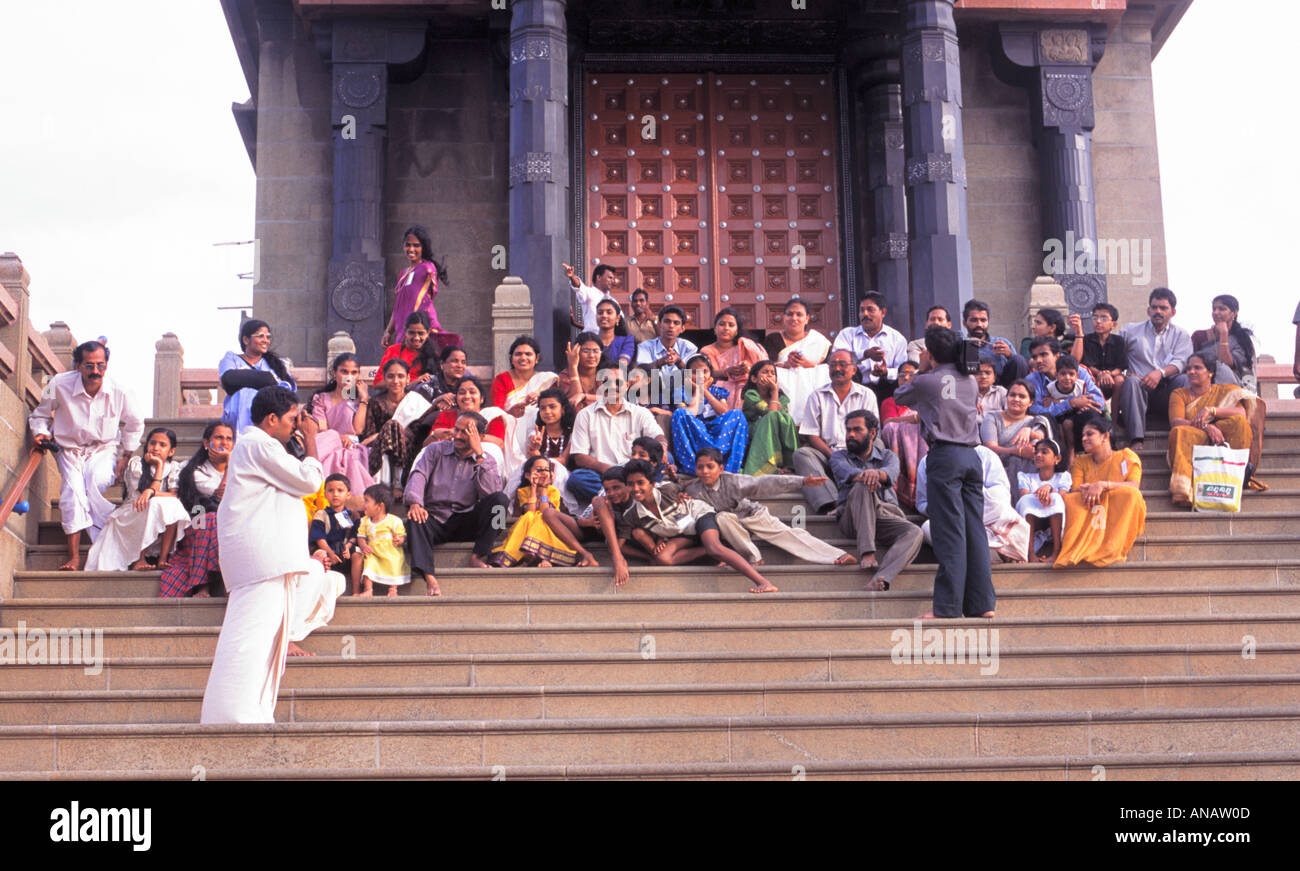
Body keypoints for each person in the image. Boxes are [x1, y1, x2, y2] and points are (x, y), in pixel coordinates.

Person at [200, 386, 346, 724]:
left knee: (260, 639)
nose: (297, 426)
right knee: (249, 637)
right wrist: (311, 439)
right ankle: (230, 716)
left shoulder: (259, 446)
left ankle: (248, 712)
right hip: (261, 562)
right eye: (293, 419)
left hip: (265, 560)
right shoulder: (258, 443)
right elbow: (309, 481)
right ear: (271, 419)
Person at [894, 326, 995, 619]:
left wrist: (924, 368)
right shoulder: (971, 381)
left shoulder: (927, 380)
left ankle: (948, 607)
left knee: (950, 532)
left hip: (945, 457)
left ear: (932, 353)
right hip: (971, 456)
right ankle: (982, 604)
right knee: (975, 530)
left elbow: (900, 395)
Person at [29, 340, 145, 571]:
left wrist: (126, 455)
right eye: (89, 366)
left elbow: (135, 423)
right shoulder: (57, 384)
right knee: (72, 492)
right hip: (68, 449)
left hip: (104, 448)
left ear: (107, 364)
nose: (95, 372)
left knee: (96, 481)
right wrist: (40, 433)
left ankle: (114, 541)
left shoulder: (121, 389)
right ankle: (73, 557)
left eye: (100, 366)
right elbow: (40, 415)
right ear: (78, 365)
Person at [621, 460, 778, 593]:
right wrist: (658, 540)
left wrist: (679, 486)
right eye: (630, 484)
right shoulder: (632, 515)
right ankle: (726, 548)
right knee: (663, 558)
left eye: (640, 483)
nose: (635, 489)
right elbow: (620, 541)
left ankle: (763, 582)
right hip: (683, 533)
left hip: (699, 516)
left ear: (653, 483)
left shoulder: (667, 490)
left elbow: (686, 485)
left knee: (714, 548)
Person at [686, 447, 854, 566]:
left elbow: (764, 482)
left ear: (721, 469)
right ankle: (754, 557)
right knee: (721, 518)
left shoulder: (733, 481)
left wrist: (801, 481)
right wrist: (680, 491)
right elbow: (675, 489)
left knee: (789, 535)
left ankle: (838, 555)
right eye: (700, 467)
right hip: (732, 526)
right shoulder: (694, 489)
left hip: (753, 515)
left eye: (710, 466)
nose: (705, 471)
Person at [403, 410, 510, 596]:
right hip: (433, 517)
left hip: (465, 520)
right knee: (414, 519)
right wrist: (415, 503)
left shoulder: (487, 461)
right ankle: (429, 577)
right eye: (457, 430)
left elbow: (491, 493)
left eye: (465, 433)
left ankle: (478, 556)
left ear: (480, 437)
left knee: (500, 504)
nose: (458, 436)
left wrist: (479, 455)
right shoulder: (436, 450)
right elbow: (419, 474)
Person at [829, 410, 925, 589]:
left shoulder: (888, 456)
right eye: (848, 430)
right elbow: (846, 473)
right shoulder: (838, 457)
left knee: (915, 532)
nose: (850, 434)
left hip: (884, 515)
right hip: (852, 518)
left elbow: (891, 474)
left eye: (857, 430)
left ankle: (881, 577)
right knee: (862, 486)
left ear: (872, 433)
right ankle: (867, 552)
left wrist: (877, 473)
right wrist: (869, 475)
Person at [86, 426, 190, 571]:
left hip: (156, 511)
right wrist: (159, 467)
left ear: (171, 451)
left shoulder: (173, 467)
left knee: (173, 504)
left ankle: (163, 558)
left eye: (162, 445)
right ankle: (139, 559)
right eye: (152, 443)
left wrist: (151, 492)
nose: (156, 448)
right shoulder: (136, 464)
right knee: (152, 503)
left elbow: (174, 495)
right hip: (133, 511)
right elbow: (142, 496)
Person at [793, 348, 879, 514]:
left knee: (879, 445)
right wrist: (833, 456)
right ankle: (834, 502)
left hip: (859, 452)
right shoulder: (816, 396)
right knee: (802, 454)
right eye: (833, 365)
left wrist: (853, 454)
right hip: (828, 453)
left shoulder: (866, 395)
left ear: (854, 369)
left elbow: (872, 431)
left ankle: (876, 498)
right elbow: (811, 434)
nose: (837, 369)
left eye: (843, 364)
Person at [1167, 351, 1256, 507]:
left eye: (1197, 368)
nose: (1191, 372)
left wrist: (1211, 410)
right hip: (1193, 437)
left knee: (1240, 423)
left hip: (1221, 439)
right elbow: (1176, 422)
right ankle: (1184, 489)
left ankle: (1237, 475)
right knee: (1179, 431)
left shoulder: (1225, 391)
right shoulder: (1179, 394)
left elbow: (1241, 412)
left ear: (1210, 372)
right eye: (1188, 368)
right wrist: (1207, 427)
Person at [1054, 417, 1145, 568]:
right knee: (1070, 499)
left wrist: (1103, 485)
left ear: (1105, 436)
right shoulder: (1080, 460)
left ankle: (1112, 545)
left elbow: (1134, 485)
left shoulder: (1126, 456)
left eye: (1089, 434)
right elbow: (1077, 489)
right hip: (1089, 502)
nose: (1084, 439)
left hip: (1116, 503)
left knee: (1131, 495)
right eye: (1082, 435)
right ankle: (1085, 545)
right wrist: (1092, 489)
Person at [916, 445, 1031, 565]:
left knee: (1005, 512)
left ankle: (990, 553)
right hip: (951, 518)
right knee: (927, 528)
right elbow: (922, 503)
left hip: (985, 512)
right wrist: (942, 505)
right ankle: (994, 554)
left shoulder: (985, 454)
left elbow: (1001, 492)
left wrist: (973, 498)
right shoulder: (927, 461)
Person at [566, 368, 667, 502]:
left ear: (628, 385)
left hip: (636, 473)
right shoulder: (585, 415)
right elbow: (579, 457)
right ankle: (634, 496)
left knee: (666, 457)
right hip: (603, 474)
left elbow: (658, 436)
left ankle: (620, 495)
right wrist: (608, 469)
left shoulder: (641, 413)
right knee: (577, 479)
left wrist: (663, 446)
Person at [159, 421, 234, 598]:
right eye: (219, 437)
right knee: (208, 520)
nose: (224, 442)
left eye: (229, 439)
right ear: (206, 443)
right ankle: (202, 586)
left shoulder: (244, 469)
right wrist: (229, 465)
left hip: (233, 522)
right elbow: (220, 496)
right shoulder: (192, 469)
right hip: (198, 517)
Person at [1115, 287, 1193, 449]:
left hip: (1168, 389)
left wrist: (1160, 373)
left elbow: (1182, 361)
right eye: (1154, 307)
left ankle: (1182, 431)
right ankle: (1137, 439)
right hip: (1140, 388)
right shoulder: (1131, 331)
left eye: (1163, 308)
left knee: (1184, 379)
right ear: (1148, 310)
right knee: (1131, 383)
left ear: (1173, 312)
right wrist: (1126, 374)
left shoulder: (1181, 335)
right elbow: (1116, 354)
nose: (1158, 311)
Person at [491, 455, 597, 568]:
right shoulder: (523, 491)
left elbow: (545, 510)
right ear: (527, 475)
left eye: (546, 470)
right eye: (539, 470)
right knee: (530, 517)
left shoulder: (553, 491)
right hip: (530, 523)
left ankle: (543, 557)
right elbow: (529, 510)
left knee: (540, 518)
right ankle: (529, 557)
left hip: (550, 526)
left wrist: (544, 489)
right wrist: (533, 488)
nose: (543, 473)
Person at [669, 354, 749, 475]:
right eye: (694, 372)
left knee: (737, 415)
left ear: (710, 374)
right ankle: (695, 468)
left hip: (718, 435)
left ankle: (726, 468)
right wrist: (698, 391)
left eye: (704, 371)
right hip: (695, 434)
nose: (700, 376)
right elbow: (689, 413)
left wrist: (705, 391)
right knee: (679, 413)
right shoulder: (681, 392)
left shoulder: (716, 391)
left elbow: (724, 412)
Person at [310, 353, 376, 494]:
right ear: (334, 373)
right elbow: (322, 429)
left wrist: (364, 398)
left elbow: (357, 429)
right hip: (327, 443)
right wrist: (338, 437)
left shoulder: (355, 400)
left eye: (354, 372)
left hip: (351, 446)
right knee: (333, 446)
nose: (349, 376)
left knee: (346, 456)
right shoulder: (322, 399)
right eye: (344, 371)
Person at [1026, 342, 1105, 459]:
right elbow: (1035, 410)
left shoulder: (1078, 371)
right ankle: (1063, 457)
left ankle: (1095, 457)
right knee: (1051, 421)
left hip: (1078, 419)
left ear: (1057, 356)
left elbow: (1098, 401)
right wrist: (1071, 403)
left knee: (1092, 414)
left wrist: (1074, 404)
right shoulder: (1033, 380)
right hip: (1054, 424)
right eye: (1034, 357)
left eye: (1043, 355)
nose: (1038, 360)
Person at [218, 320, 296, 434]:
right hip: (236, 416)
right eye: (260, 336)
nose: (266, 340)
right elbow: (229, 379)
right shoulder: (232, 358)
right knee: (245, 394)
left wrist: (244, 379)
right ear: (246, 340)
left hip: (266, 418)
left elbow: (286, 391)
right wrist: (267, 380)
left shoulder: (278, 364)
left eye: (268, 337)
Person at [506, 387, 578, 508]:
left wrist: (541, 458)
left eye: (552, 407)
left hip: (561, 475)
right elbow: (533, 461)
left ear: (563, 409)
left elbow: (564, 461)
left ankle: (555, 506)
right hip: (537, 473)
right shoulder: (535, 433)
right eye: (543, 408)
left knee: (556, 467)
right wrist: (535, 449)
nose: (547, 411)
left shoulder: (572, 434)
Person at [764, 298, 831, 423]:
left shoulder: (818, 341)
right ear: (784, 317)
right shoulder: (773, 339)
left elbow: (829, 368)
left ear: (807, 318)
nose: (794, 318)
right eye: (790, 314)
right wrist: (786, 364)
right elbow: (765, 366)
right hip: (782, 392)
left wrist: (809, 365)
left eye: (799, 314)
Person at [383, 224, 450, 347]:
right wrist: (388, 331)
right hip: (403, 331)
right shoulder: (403, 274)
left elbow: (420, 302)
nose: (411, 249)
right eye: (408, 245)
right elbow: (398, 307)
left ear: (423, 247)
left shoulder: (427, 268)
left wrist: (412, 329)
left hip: (419, 331)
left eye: (416, 245)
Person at [425, 375, 509, 471]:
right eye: (462, 393)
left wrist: (467, 435)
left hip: (481, 468)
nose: (467, 396)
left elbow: (499, 444)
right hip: (445, 468)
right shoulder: (446, 416)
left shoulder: (493, 415)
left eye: (472, 392)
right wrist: (434, 435)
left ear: (481, 398)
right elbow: (426, 447)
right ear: (456, 398)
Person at [981, 380, 1053, 485]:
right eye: (1012, 395)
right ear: (1006, 398)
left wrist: (1029, 431)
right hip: (996, 471)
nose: (1016, 399)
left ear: (1031, 402)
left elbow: (1041, 437)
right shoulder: (992, 417)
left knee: (1037, 445)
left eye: (1022, 397)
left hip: (1026, 472)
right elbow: (990, 448)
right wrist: (1018, 451)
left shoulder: (1034, 421)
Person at [878, 360, 928, 509]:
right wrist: (915, 419)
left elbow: (928, 418)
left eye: (911, 375)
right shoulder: (890, 402)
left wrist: (908, 420)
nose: (906, 378)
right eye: (901, 375)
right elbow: (888, 426)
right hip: (900, 446)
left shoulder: (927, 398)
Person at [832, 292, 908, 388]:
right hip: (854, 387)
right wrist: (865, 354)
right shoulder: (847, 335)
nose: (865, 314)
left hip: (887, 389)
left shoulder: (897, 339)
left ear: (883, 312)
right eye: (861, 310)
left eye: (870, 310)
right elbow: (838, 361)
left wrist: (886, 372)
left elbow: (903, 371)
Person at [1015, 438, 1071, 563]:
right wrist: (1041, 494)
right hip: (1034, 521)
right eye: (1036, 453)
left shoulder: (1063, 476)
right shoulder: (1026, 477)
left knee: (1056, 498)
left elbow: (1063, 496)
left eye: (1044, 452)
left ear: (1057, 458)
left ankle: (1056, 551)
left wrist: (1049, 489)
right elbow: (1023, 496)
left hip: (1054, 520)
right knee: (1026, 500)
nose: (1038, 455)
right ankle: (1030, 553)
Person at [700, 307, 768, 412]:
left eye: (731, 325)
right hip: (720, 391)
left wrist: (748, 368)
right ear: (715, 328)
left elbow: (762, 367)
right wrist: (727, 372)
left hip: (746, 388)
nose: (726, 328)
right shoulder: (708, 350)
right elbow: (710, 373)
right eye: (722, 324)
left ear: (736, 331)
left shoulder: (744, 345)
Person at [740, 359, 798, 476]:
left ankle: (789, 465)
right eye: (765, 372)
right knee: (772, 417)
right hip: (755, 431)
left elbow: (780, 419)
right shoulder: (751, 395)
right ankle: (767, 468)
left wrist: (775, 394)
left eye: (773, 373)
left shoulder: (783, 399)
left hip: (775, 431)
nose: (770, 375)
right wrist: (775, 391)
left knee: (787, 419)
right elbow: (771, 413)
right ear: (754, 378)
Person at [635, 304, 698, 406]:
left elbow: (693, 374)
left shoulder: (689, 348)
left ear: (682, 328)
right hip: (653, 396)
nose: (671, 326)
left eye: (676, 323)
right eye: (667, 321)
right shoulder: (645, 346)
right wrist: (661, 362)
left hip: (681, 398)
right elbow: (642, 370)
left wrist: (679, 361)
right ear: (659, 324)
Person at [353, 484, 410, 596]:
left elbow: (402, 535)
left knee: (395, 561)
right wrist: (364, 546)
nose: (363, 505)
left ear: (379, 506)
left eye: (366, 501)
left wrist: (399, 540)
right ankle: (368, 589)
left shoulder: (394, 521)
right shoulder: (364, 521)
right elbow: (361, 537)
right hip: (372, 551)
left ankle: (393, 589)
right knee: (369, 563)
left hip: (390, 551)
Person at [1190, 294, 1256, 389]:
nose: (1216, 312)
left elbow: (1225, 363)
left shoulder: (1241, 339)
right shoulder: (1199, 336)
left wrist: (1223, 334)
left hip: (1232, 388)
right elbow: (1191, 364)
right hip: (1202, 385)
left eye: (1222, 309)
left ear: (1234, 312)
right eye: (1214, 309)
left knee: (1222, 369)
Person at [962, 300, 1028, 388]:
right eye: (974, 320)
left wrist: (1009, 355)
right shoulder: (960, 344)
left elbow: (1018, 368)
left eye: (983, 320)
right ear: (965, 323)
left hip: (1002, 390)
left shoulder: (1001, 342)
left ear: (988, 322)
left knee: (1018, 359)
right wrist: (968, 347)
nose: (979, 324)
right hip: (971, 390)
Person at [1069, 303, 1127, 401]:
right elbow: (1087, 364)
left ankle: (1115, 415)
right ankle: (1098, 410)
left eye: (1104, 318)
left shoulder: (1119, 341)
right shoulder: (1086, 339)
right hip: (1093, 375)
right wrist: (1100, 374)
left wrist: (1109, 374)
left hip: (1112, 376)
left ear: (1114, 324)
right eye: (1095, 318)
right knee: (1090, 380)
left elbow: (1120, 366)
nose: (1098, 321)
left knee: (1119, 380)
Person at [309, 474, 359, 576]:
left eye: (340, 490)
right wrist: (330, 553)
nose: (335, 494)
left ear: (348, 494)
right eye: (330, 490)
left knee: (358, 555)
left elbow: (355, 536)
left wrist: (348, 547)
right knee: (320, 554)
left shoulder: (352, 515)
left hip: (346, 551)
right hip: (327, 550)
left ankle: (356, 590)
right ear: (325, 494)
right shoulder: (321, 514)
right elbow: (319, 538)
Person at [374, 311, 434, 386]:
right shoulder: (393, 351)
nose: (416, 338)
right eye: (412, 333)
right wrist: (413, 383)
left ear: (428, 333)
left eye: (421, 333)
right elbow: (378, 383)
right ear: (405, 331)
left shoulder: (433, 353)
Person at [557, 332, 608, 413]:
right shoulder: (565, 376)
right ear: (577, 352)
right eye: (586, 351)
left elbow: (613, 400)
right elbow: (576, 404)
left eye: (595, 351)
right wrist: (573, 367)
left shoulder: (606, 374)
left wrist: (584, 396)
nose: (591, 355)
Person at [564, 262, 618, 331]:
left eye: (613, 279)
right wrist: (572, 276)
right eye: (610, 278)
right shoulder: (589, 292)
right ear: (598, 277)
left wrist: (575, 323)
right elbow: (578, 286)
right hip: (591, 340)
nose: (613, 281)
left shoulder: (613, 301)